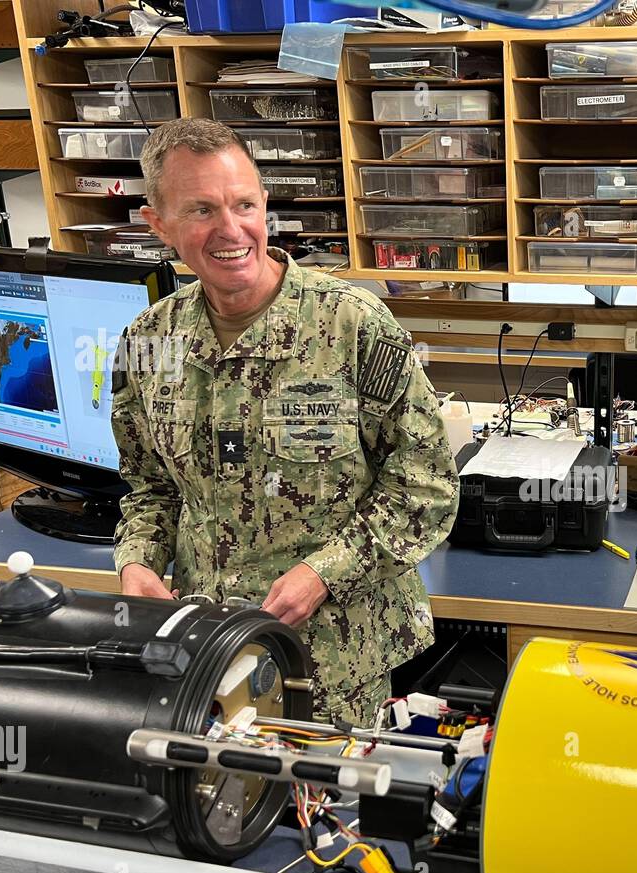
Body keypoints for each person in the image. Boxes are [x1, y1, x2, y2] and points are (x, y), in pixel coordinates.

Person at [112, 118, 459, 724]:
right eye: (201, 210)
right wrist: (138, 561)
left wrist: (324, 574)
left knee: (324, 787)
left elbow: (425, 488)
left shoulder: (352, 324)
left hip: (333, 662)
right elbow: (150, 488)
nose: (231, 229)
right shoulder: (149, 341)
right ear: (158, 224)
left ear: (265, 204)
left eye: (244, 204)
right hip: (206, 651)